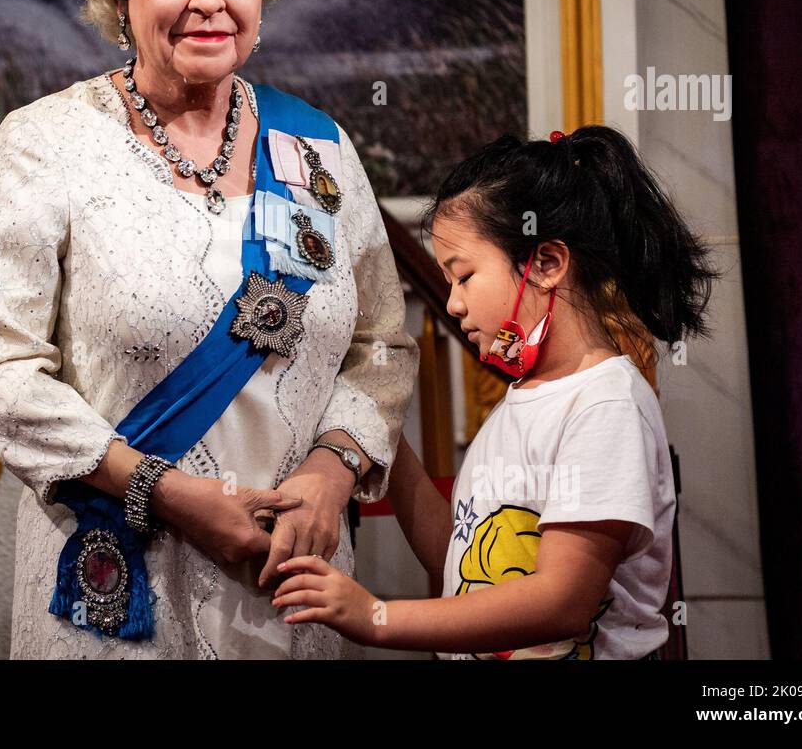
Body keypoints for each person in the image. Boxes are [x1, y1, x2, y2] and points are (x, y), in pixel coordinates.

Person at [0, 0, 419, 659]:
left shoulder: (316, 147)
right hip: (118, 583)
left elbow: (381, 346)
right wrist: (167, 493)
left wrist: (330, 473)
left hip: (294, 585)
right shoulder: (46, 141)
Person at [272, 126, 718, 659]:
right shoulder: (524, 402)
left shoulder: (605, 404)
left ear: (547, 264)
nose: (453, 304)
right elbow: (461, 569)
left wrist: (377, 616)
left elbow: (562, 601)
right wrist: (378, 434)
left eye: (464, 277)